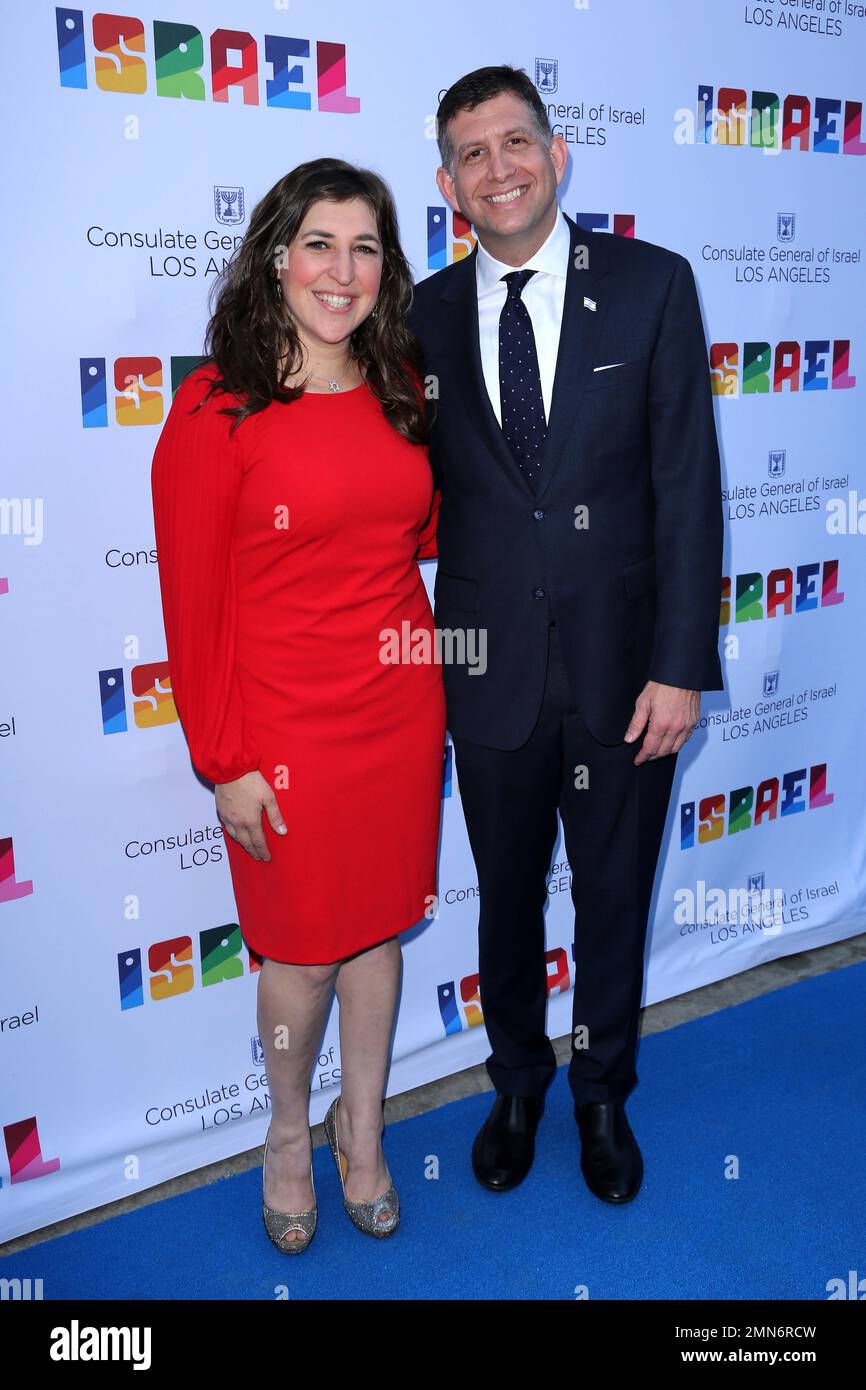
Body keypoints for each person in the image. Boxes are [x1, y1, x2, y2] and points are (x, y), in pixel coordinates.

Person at [408, 66, 724, 1203]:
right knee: (502, 899)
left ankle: (599, 1093)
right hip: (484, 676)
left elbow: (688, 489)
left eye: (514, 142)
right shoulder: (421, 314)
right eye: (472, 154)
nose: (499, 169)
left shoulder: (649, 286)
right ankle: (515, 1083)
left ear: (557, 152)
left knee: (610, 896)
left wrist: (679, 667)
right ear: (448, 185)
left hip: (623, 675)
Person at [151, 158, 445, 1251]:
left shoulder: (400, 383)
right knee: (304, 953)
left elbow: (411, 538)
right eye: (319, 243)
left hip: (398, 713)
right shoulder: (216, 408)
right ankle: (286, 1131)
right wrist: (225, 756)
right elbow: (191, 601)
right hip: (282, 732)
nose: (342, 269)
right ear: (275, 256)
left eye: (364, 247)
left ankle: (360, 1129)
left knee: (375, 934)